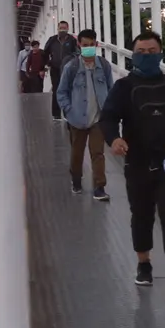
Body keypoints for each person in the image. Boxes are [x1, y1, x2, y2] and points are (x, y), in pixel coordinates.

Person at [100, 30, 165, 292]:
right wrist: (114, 139)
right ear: (133, 55)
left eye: (152, 52)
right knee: (141, 215)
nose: (147, 56)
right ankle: (144, 264)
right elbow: (107, 118)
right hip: (137, 161)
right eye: (141, 52)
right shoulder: (124, 88)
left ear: (160, 54)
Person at [56, 28, 113, 201]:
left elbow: (111, 89)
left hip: (98, 118)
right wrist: (68, 109)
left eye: (91, 45)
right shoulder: (71, 67)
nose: (88, 47)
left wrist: (110, 111)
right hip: (77, 118)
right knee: (77, 152)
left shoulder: (103, 66)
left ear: (96, 45)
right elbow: (62, 91)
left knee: (98, 153)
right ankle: (76, 179)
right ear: (79, 45)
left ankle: (99, 186)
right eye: (85, 45)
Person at [44, 21, 79, 119]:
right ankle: (56, 114)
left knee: (69, 89)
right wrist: (48, 63)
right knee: (56, 89)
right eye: (61, 28)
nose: (62, 30)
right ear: (57, 28)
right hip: (55, 68)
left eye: (64, 28)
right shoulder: (52, 40)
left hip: (68, 69)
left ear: (68, 29)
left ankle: (69, 112)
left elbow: (77, 52)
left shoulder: (72, 40)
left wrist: (73, 61)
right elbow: (45, 52)